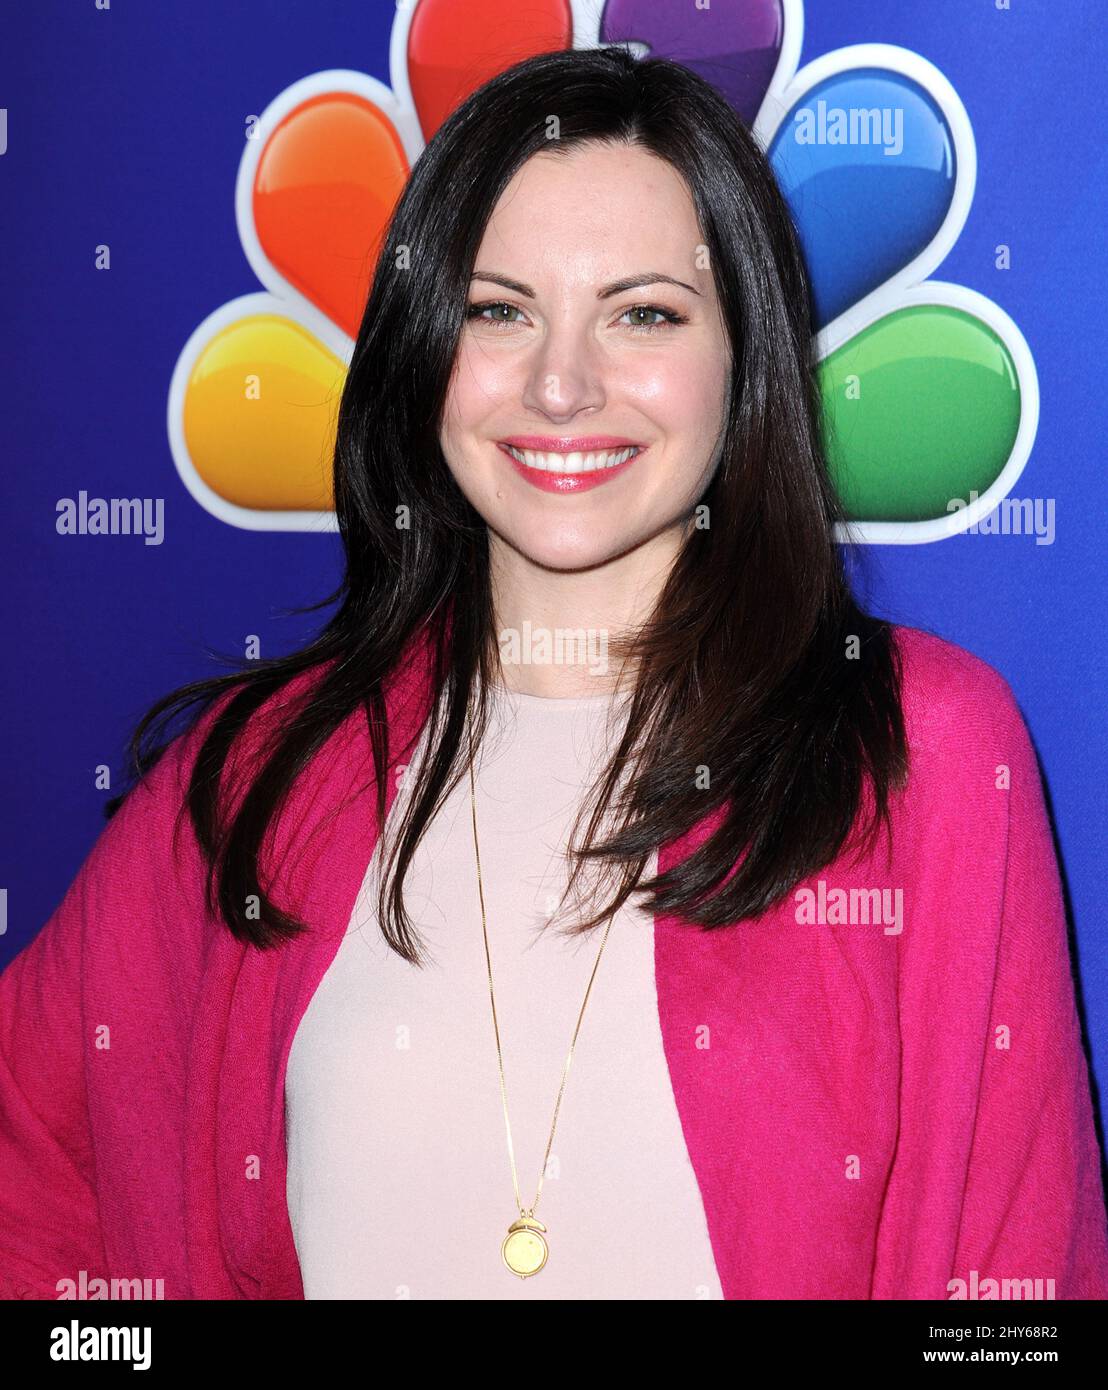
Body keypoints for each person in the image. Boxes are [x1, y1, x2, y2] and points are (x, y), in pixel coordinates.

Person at [1, 46, 1105, 1301]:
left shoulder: (922, 750)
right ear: (424, 349)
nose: (561, 385)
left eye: (644, 313)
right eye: (498, 310)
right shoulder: (261, 767)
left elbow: (1015, 1292)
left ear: (744, 358)